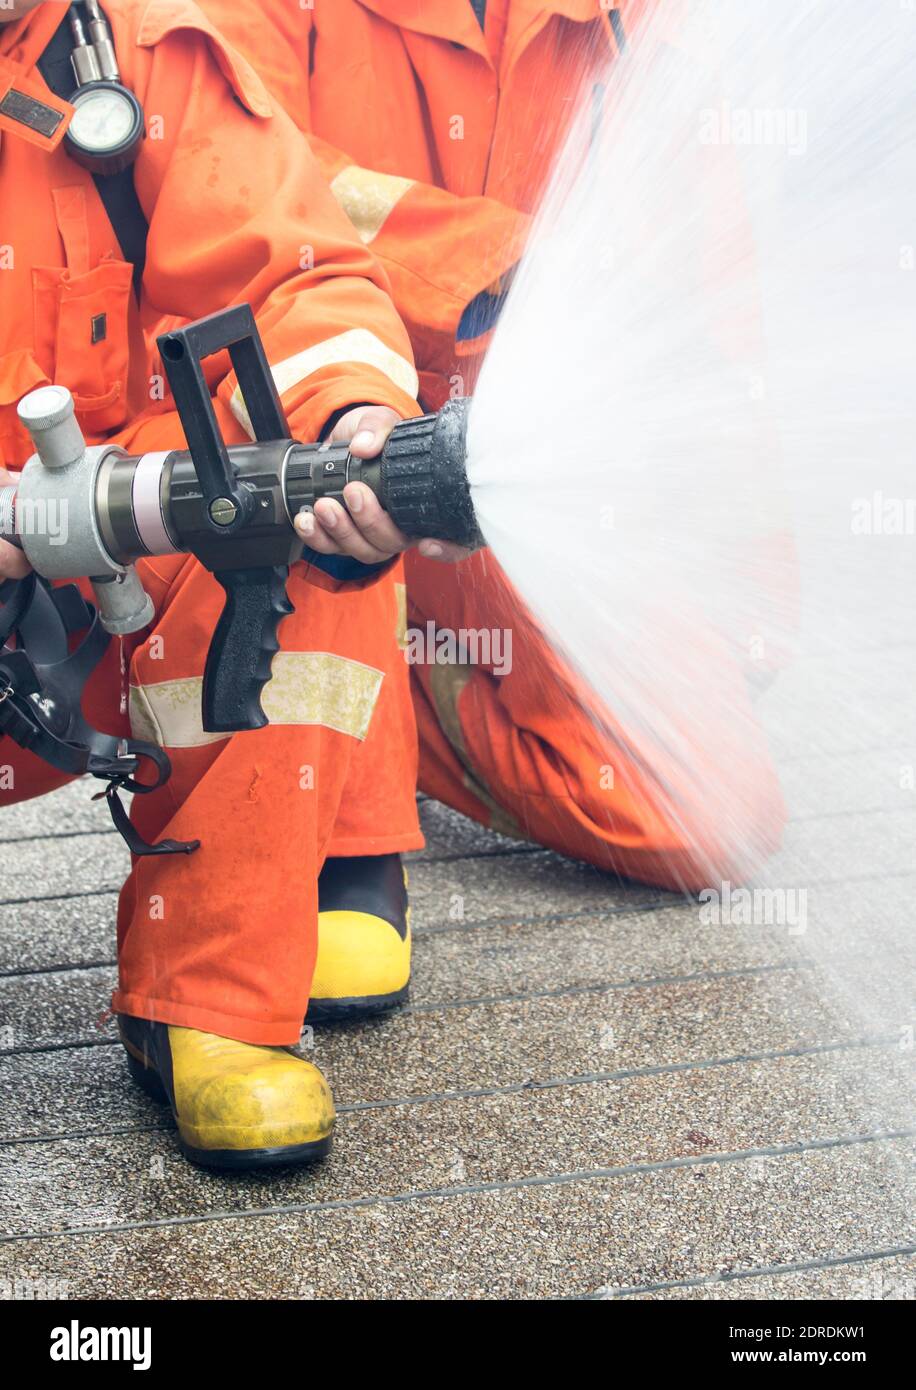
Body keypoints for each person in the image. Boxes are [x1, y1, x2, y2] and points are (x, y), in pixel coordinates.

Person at [197, 0, 789, 991]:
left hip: (538, 483)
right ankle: (350, 779)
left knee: (708, 814)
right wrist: (494, 261)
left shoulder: (637, 21)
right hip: (319, 423)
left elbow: (714, 319)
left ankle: (408, 694)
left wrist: (747, 595)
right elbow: (237, 189)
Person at [0, 0, 461, 1169]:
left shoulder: (148, 53)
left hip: (94, 608)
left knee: (279, 497)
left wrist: (354, 417)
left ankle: (205, 1002)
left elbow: (292, 272)